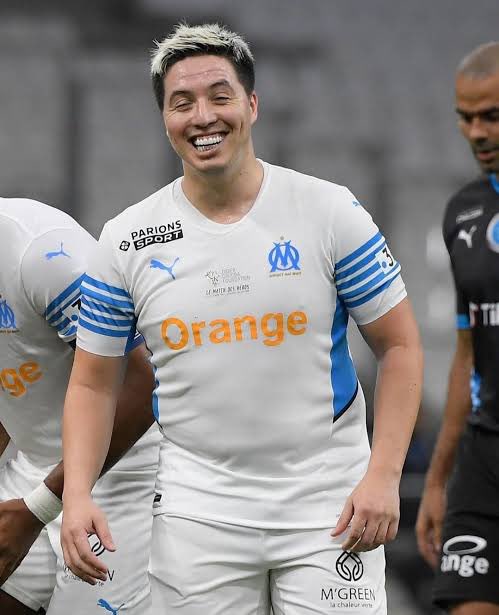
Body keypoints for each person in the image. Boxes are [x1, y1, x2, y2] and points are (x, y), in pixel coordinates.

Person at [61, 23, 423, 615]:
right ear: (164, 118)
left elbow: (400, 345)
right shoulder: (126, 240)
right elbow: (92, 382)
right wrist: (77, 495)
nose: (203, 116)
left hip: (329, 505)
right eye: (182, 103)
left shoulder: (328, 210)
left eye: (220, 96)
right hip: (196, 513)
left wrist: (383, 476)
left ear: (252, 105)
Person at [0, 196, 159, 614]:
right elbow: (14, 377)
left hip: (126, 472)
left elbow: (145, 381)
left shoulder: (45, 257)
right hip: (35, 471)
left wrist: (39, 508)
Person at [416, 42, 499, 614]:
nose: (477, 133)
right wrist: (438, 479)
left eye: (491, 116)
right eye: (465, 118)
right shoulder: (462, 213)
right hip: (485, 456)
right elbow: (468, 354)